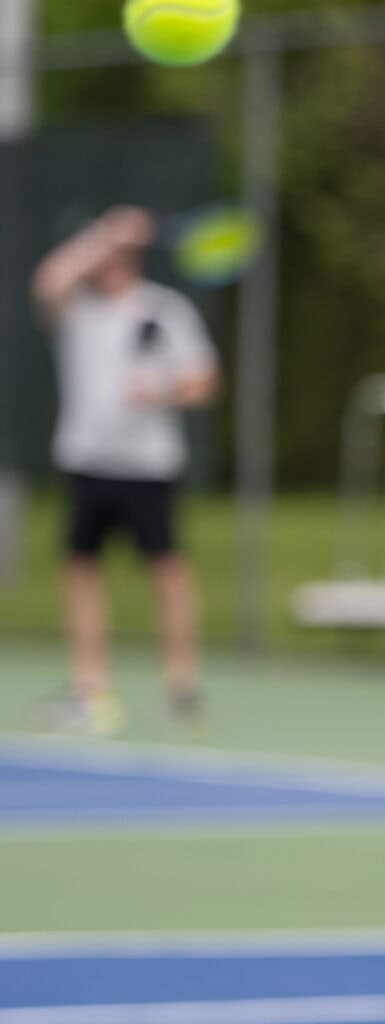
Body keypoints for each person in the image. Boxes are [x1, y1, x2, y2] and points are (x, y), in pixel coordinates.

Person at [30, 205, 220, 734]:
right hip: (86, 462)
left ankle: (182, 687)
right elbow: (48, 280)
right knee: (80, 573)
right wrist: (106, 230)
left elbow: (204, 381)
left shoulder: (166, 311)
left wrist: (160, 391)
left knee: (168, 574)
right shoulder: (76, 311)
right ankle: (92, 690)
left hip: (148, 467)